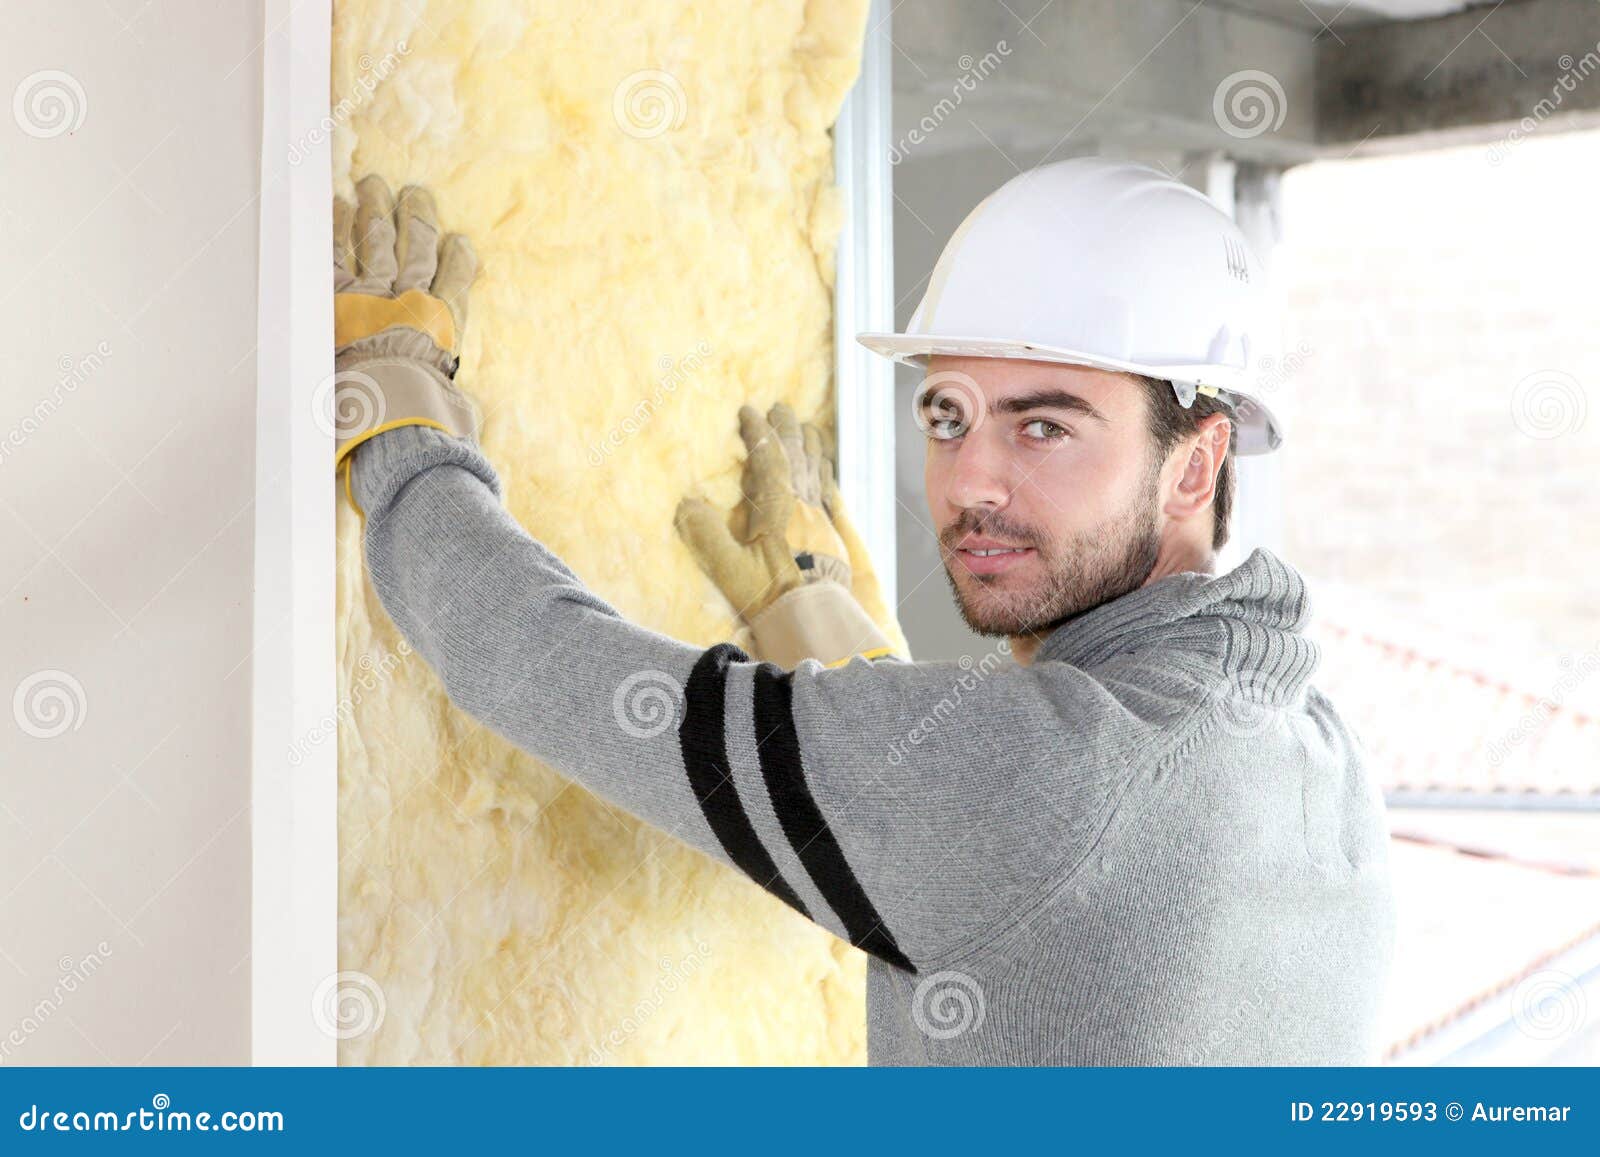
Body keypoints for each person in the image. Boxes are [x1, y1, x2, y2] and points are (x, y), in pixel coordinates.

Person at [328, 158, 1395, 1065]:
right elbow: (993, 842)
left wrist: (396, 413)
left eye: (1043, 428)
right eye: (947, 415)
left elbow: (531, 658)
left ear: (1194, 464)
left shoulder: (1053, 774)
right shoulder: (1321, 762)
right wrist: (811, 613)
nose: (969, 482)